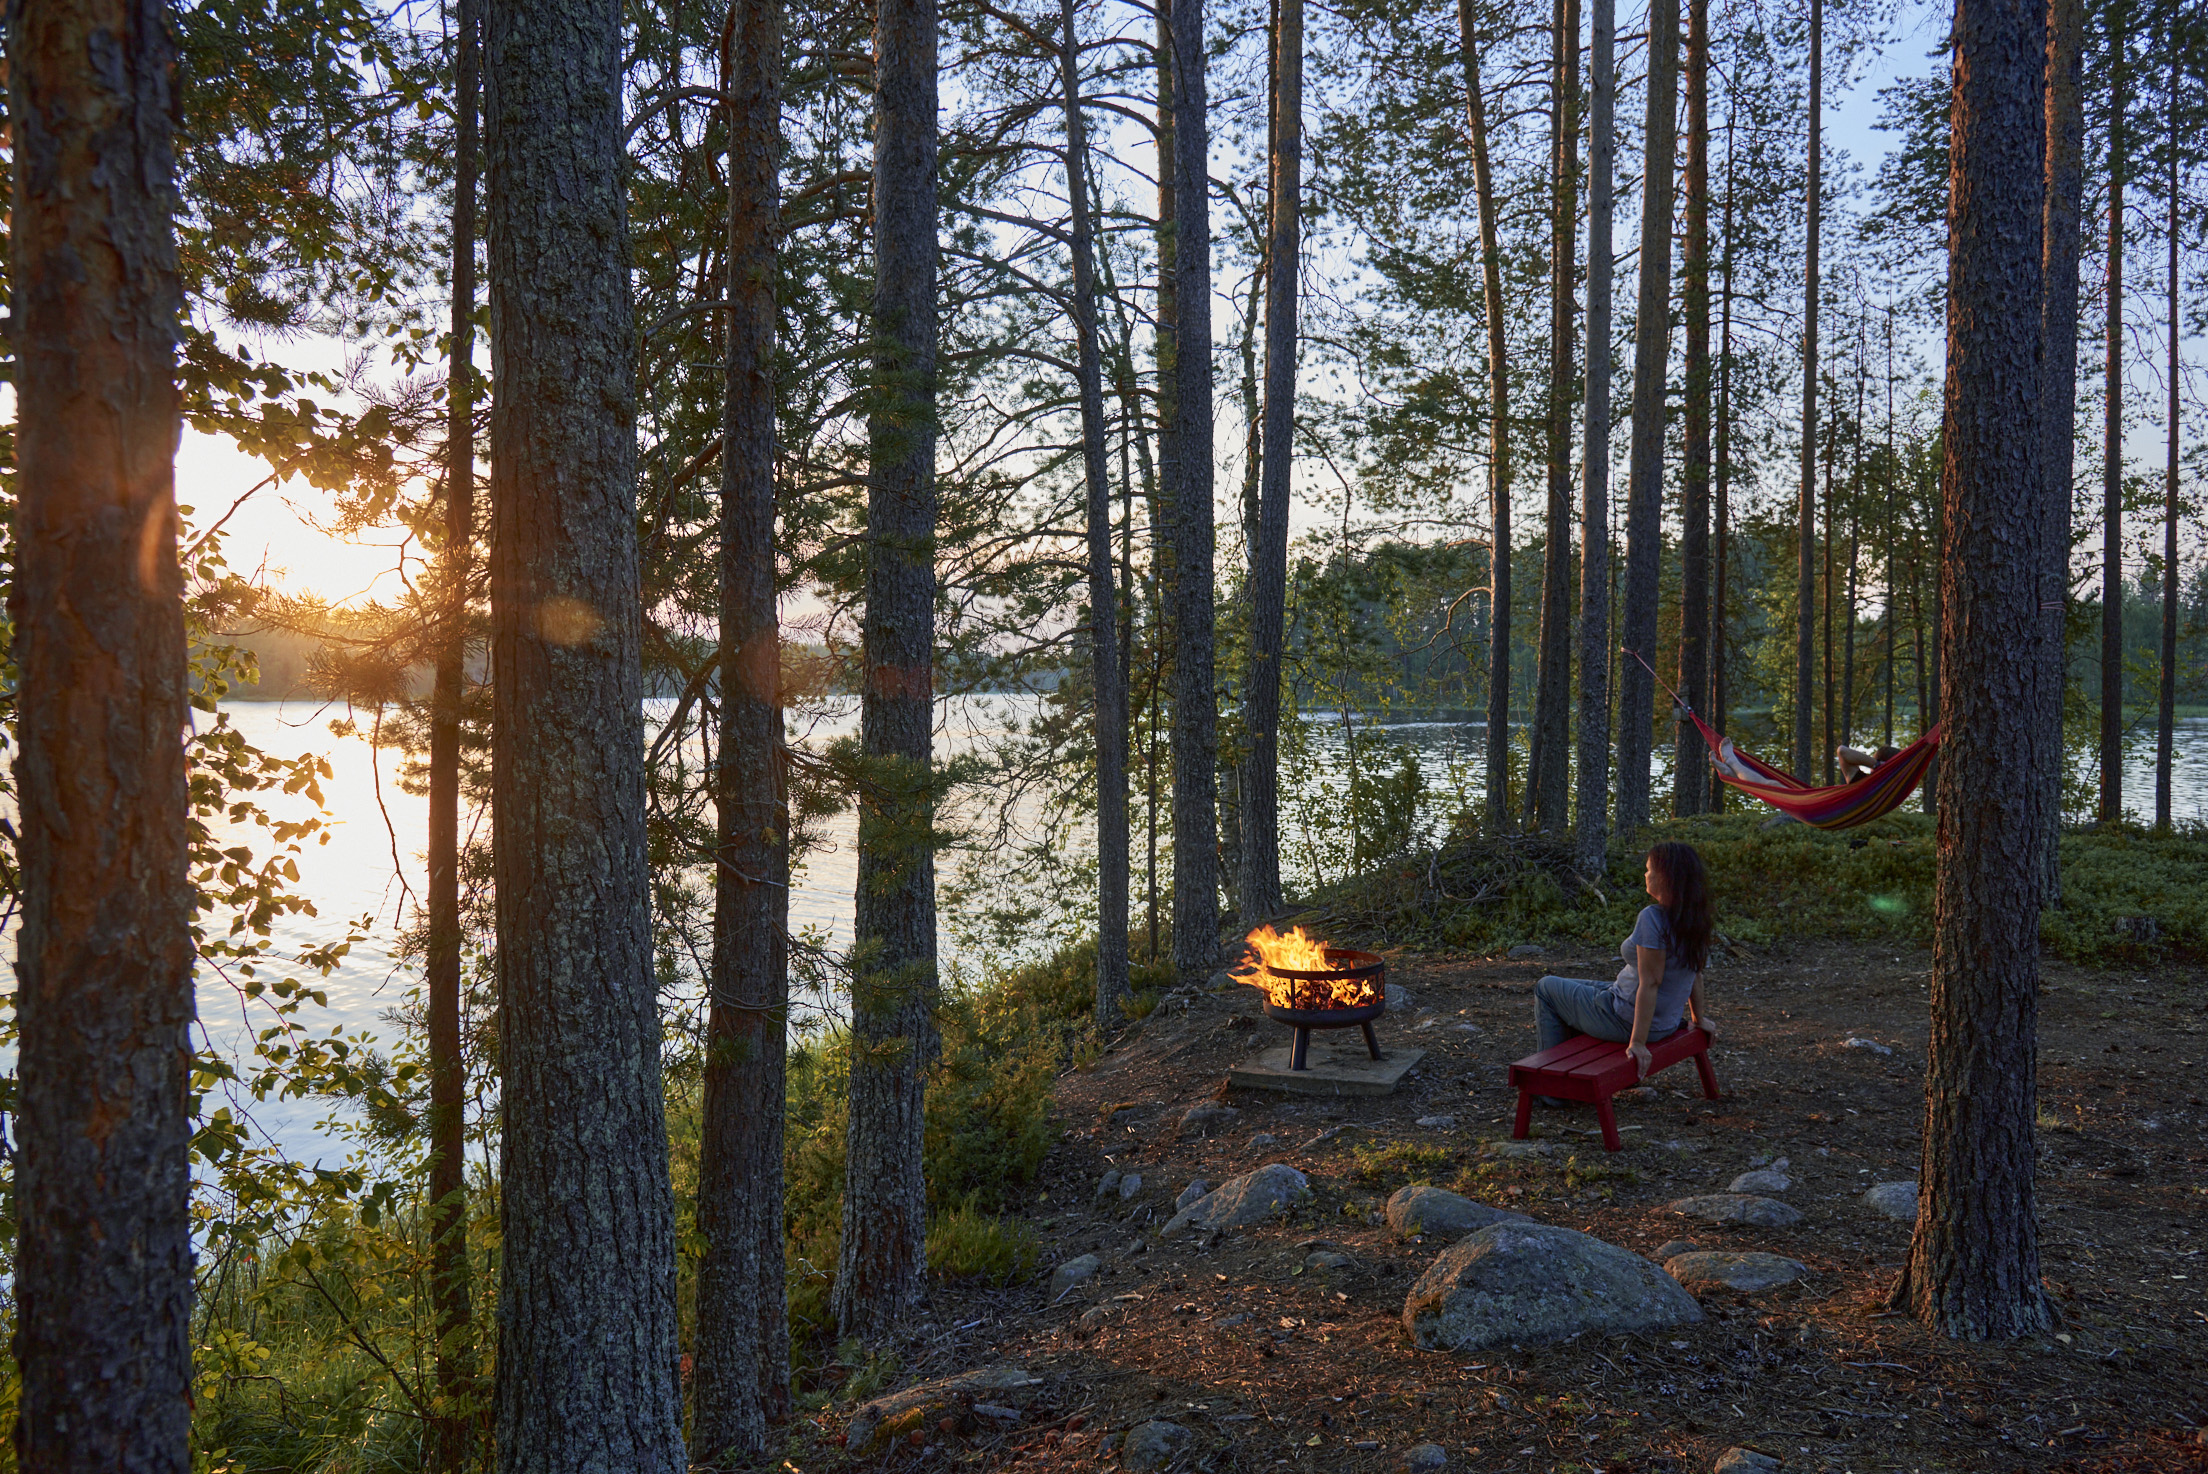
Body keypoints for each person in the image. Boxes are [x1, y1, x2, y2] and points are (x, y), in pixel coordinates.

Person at [1530, 842, 1715, 1103]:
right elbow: (1694, 973)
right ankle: (1573, 1073)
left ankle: (1552, 1090)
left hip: (1624, 1018)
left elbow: (1650, 983)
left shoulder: (1653, 918)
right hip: (1664, 1020)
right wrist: (1699, 1017)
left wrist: (1637, 1043)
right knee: (1582, 987)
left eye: (1649, 870)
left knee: (1546, 988)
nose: (1645, 875)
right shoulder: (1694, 918)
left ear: (1666, 877)